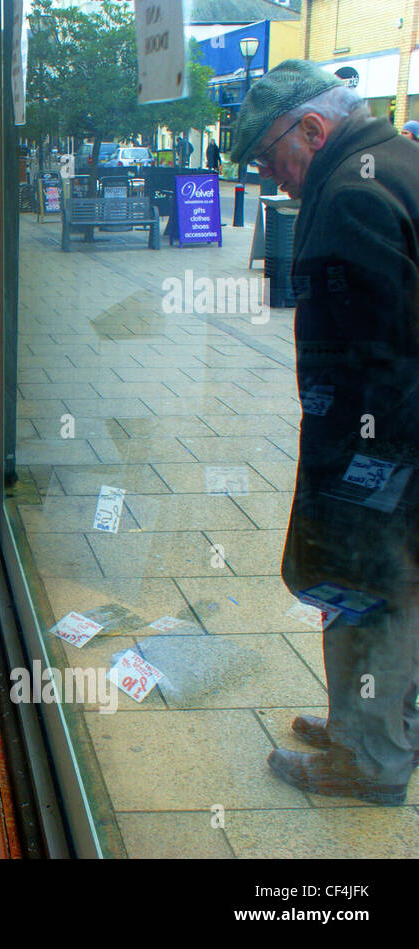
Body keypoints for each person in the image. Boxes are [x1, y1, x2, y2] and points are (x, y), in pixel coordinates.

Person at [230, 59, 419, 805]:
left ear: (313, 128)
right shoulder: (396, 159)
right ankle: (382, 722)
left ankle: (367, 758)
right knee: (396, 584)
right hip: (398, 436)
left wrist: (366, 470)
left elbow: (389, 353)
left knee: (366, 584)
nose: (272, 178)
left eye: (271, 157)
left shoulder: (350, 194)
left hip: (387, 443)